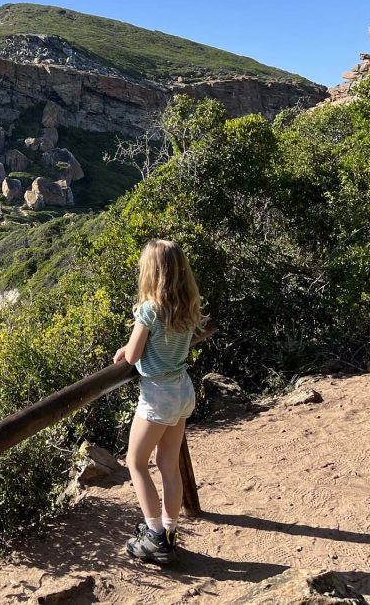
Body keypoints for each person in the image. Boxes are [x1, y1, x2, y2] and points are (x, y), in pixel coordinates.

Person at [113, 239, 216, 564]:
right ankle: (169, 531)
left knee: (136, 463)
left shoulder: (149, 311)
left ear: (151, 272)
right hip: (182, 390)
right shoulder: (187, 305)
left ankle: (155, 535)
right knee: (168, 466)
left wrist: (123, 352)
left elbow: (132, 355)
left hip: (157, 396)